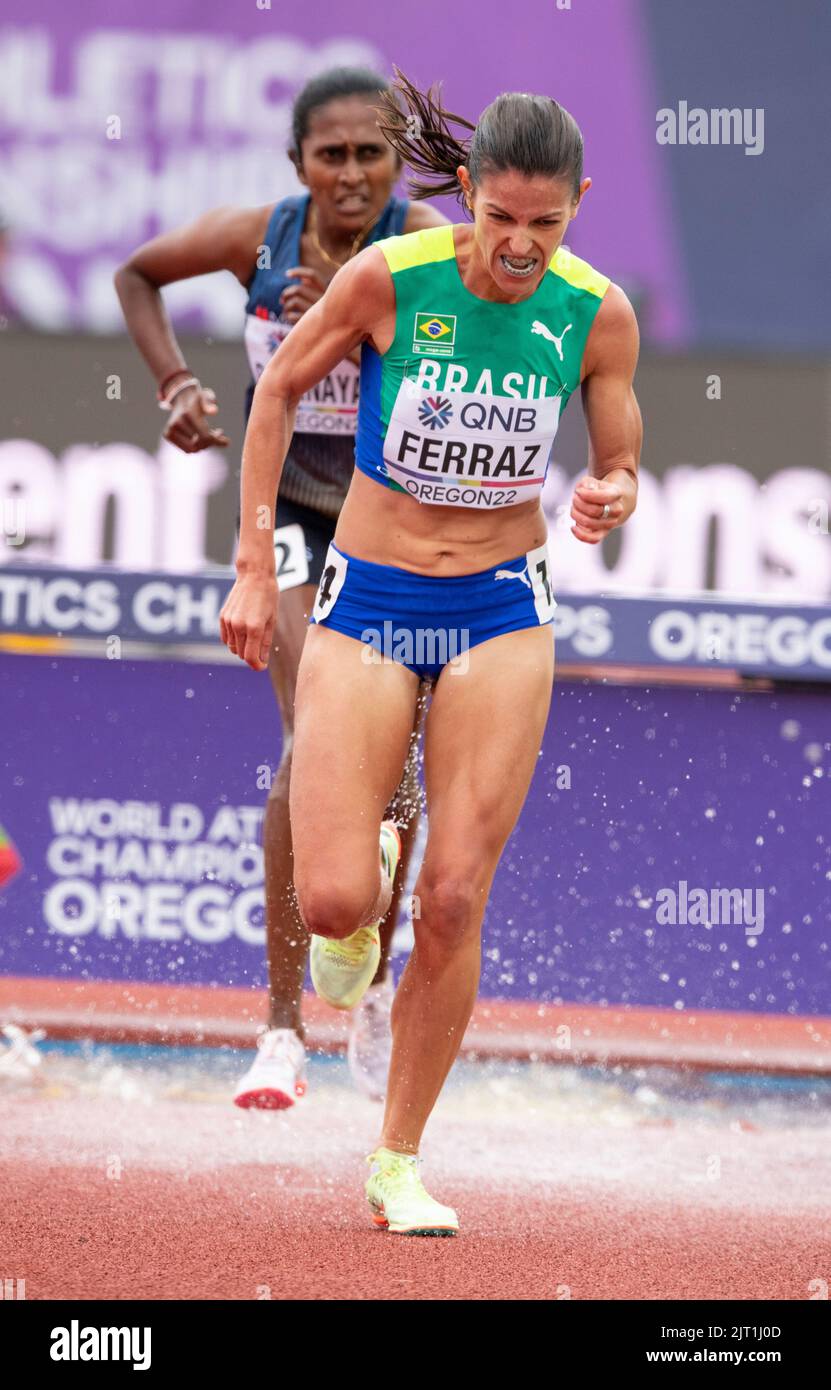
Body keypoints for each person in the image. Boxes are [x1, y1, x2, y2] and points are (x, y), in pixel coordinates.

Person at [220, 68, 642, 1235]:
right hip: (368, 597)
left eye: (543, 225)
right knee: (339, 892)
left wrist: (611, 493)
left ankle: (397, 1158)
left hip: (502, 606)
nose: (517, 245)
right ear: (466, 192)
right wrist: (256, 565)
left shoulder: (596, 310)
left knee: (455, 894)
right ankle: (350, 928)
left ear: (578, 206)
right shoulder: (388, 277)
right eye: (499, 217)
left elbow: (619, 457)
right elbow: (276, 397)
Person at [114, 68, 447, 1108]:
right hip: (294, 518)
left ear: (397, 164)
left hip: (395, 523)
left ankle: (381, 981)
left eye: (370, 155)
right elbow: (135, 275)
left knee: (396, 769)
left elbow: (483, 342)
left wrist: (356, 323)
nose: (350, 176)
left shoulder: (426, 238)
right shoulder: (259, 237)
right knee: (315, 738)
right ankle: (281, 1030)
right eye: (330, 155)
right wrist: (174, 385)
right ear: (297, 162)